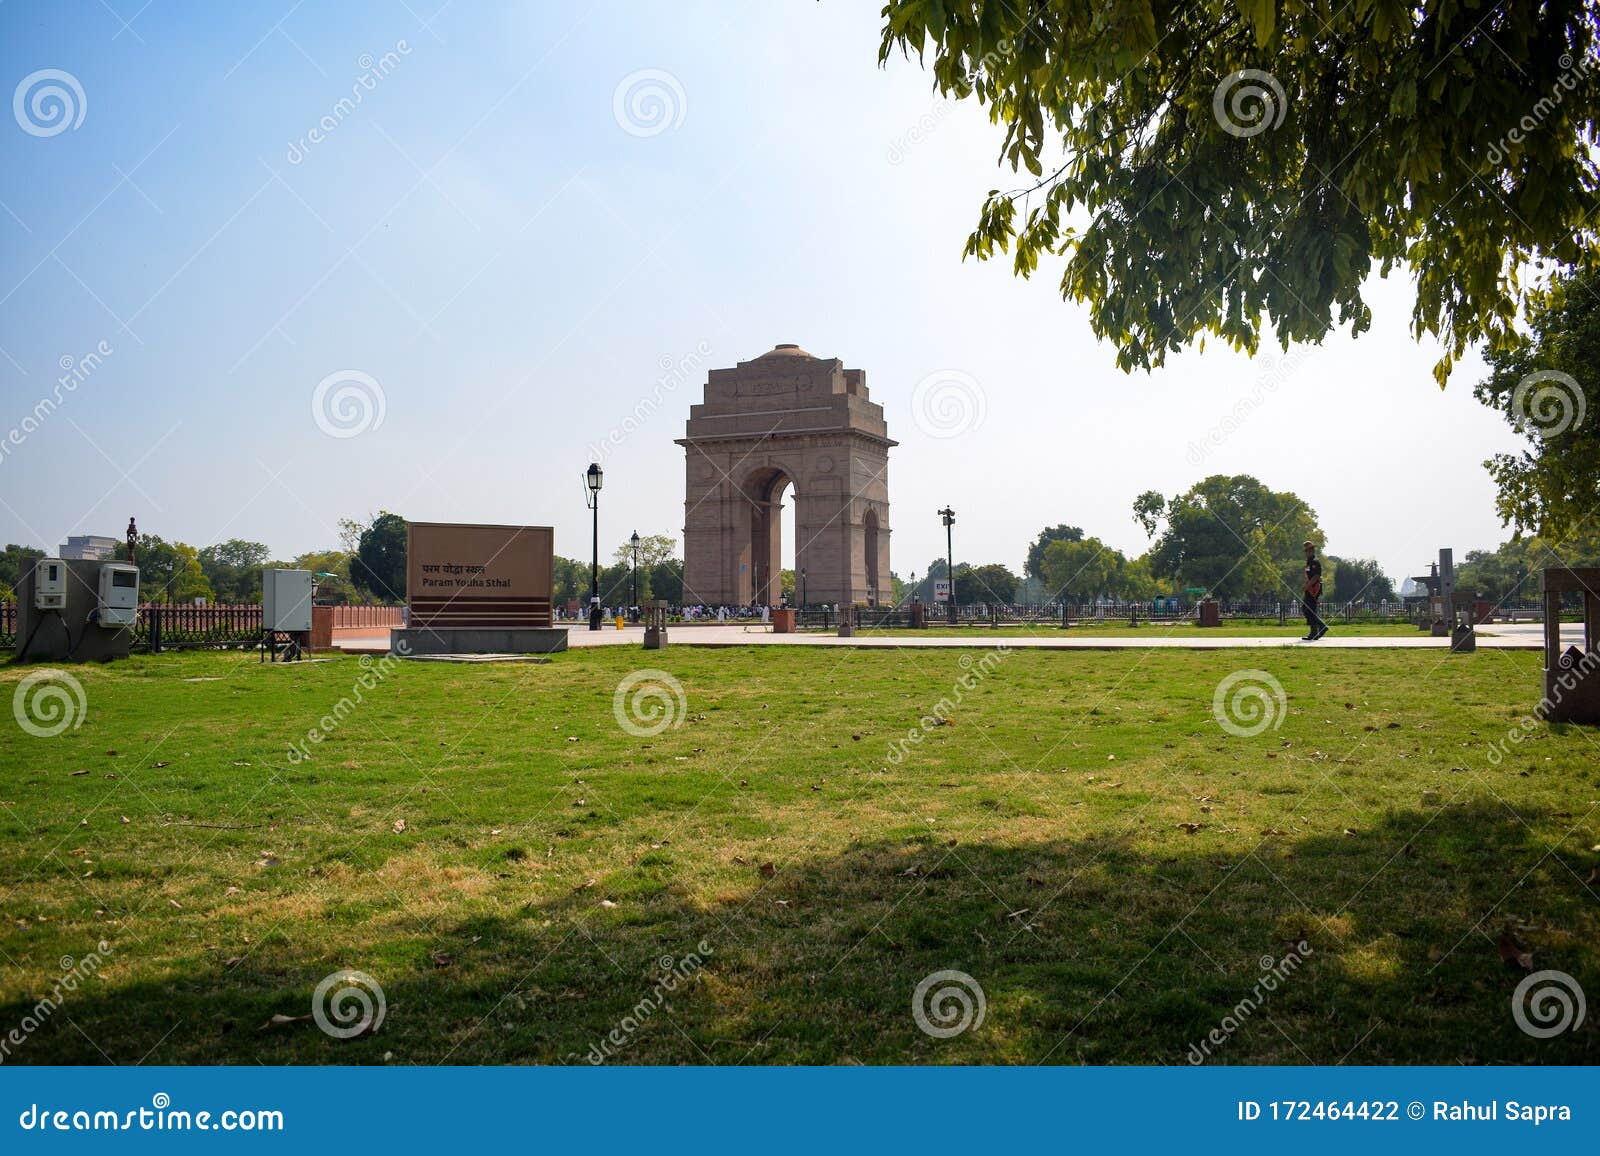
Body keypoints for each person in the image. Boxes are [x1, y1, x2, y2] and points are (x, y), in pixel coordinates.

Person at [1301, 540, 1329, 641]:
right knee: (1307, 609)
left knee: (1309, 609)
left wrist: (1307, 586)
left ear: (1312, 550)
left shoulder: (1315, 561)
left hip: (1314, 589)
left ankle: (1319, 628)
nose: (1307, 552)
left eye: (1309, 550)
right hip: (1310, 588)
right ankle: (1316, 630)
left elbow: (1316, 576)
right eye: (1306, 550)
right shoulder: (1308, 562)